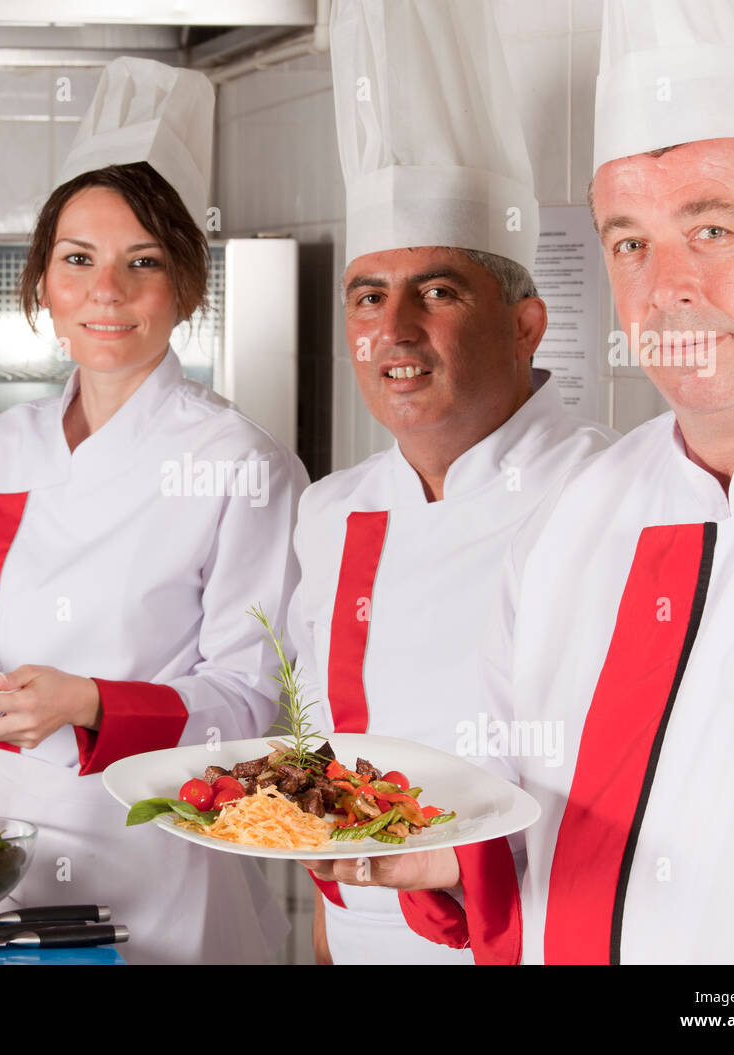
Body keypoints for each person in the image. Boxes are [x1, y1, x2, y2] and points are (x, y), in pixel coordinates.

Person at [358, 0, 734, 963]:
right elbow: (532, 818)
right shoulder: (573, 515)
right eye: (630, 241)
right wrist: (446, 858)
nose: (664, 283)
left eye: (708, 229)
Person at [0, 58, 307, 964]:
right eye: (79, 259)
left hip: (176, 870)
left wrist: (90, 704)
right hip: (15, 862)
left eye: (143, 262)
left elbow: (255, 706)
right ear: (43, 281)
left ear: (183, 285)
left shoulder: (240, 464)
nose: (107, 291)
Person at [290, 0, 617, 965]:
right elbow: (329, 752)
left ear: (524, 324)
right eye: (367, 295)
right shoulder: (332, 511)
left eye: (437, 291)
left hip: (540, 934)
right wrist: (331, 929)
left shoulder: (610, 493)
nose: (394, 329)